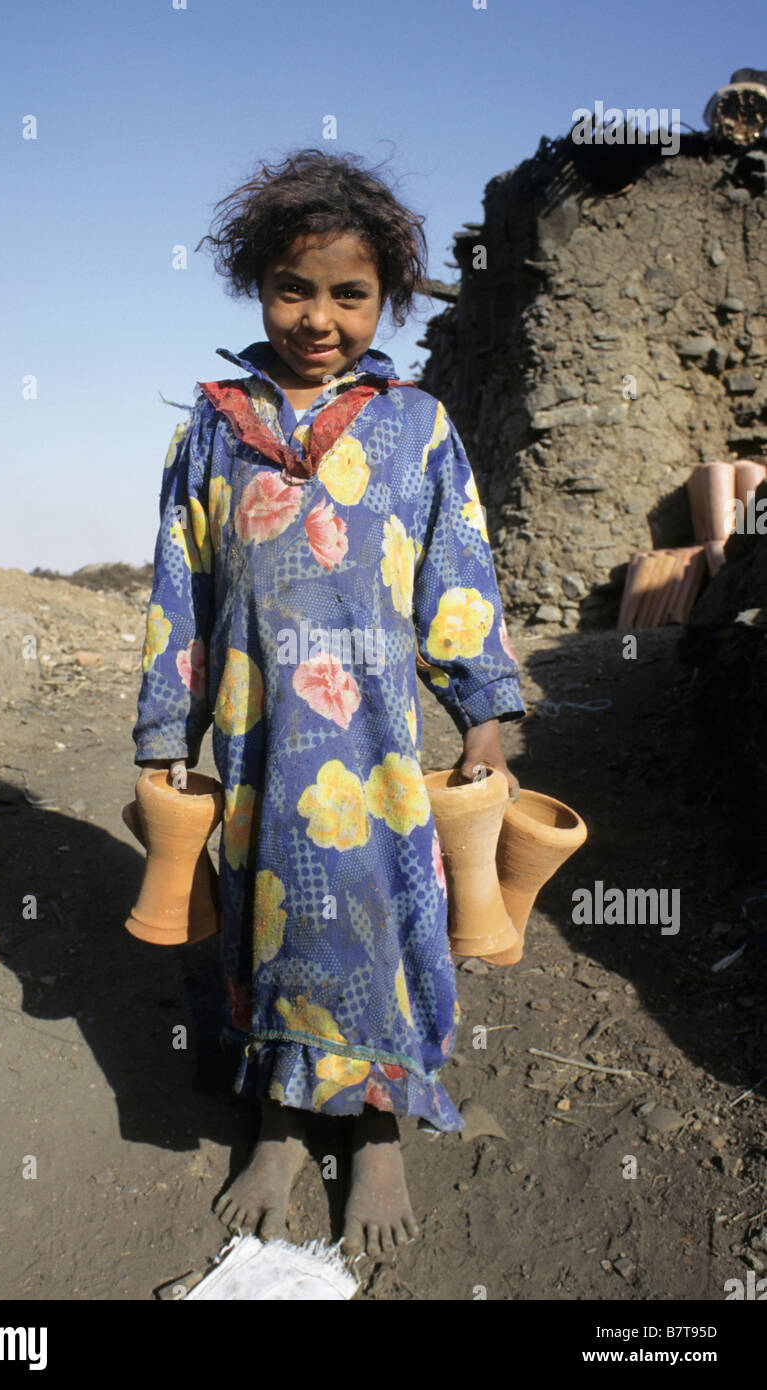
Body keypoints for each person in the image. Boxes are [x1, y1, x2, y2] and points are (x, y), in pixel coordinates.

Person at [132, 148, 525, 1257]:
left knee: (389, 922)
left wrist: (484, 712)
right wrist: (168, 733)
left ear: (385, 297)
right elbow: (182, 591)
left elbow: (458, 578)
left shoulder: (416, 428)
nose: (318, 318)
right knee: (266, 925)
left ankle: (380, 1125)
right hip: (262, 748)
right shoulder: (212, 432)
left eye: (348, 294)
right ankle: (276, 1122)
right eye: (293, 289)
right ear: (257, 285)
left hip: (381, 751)